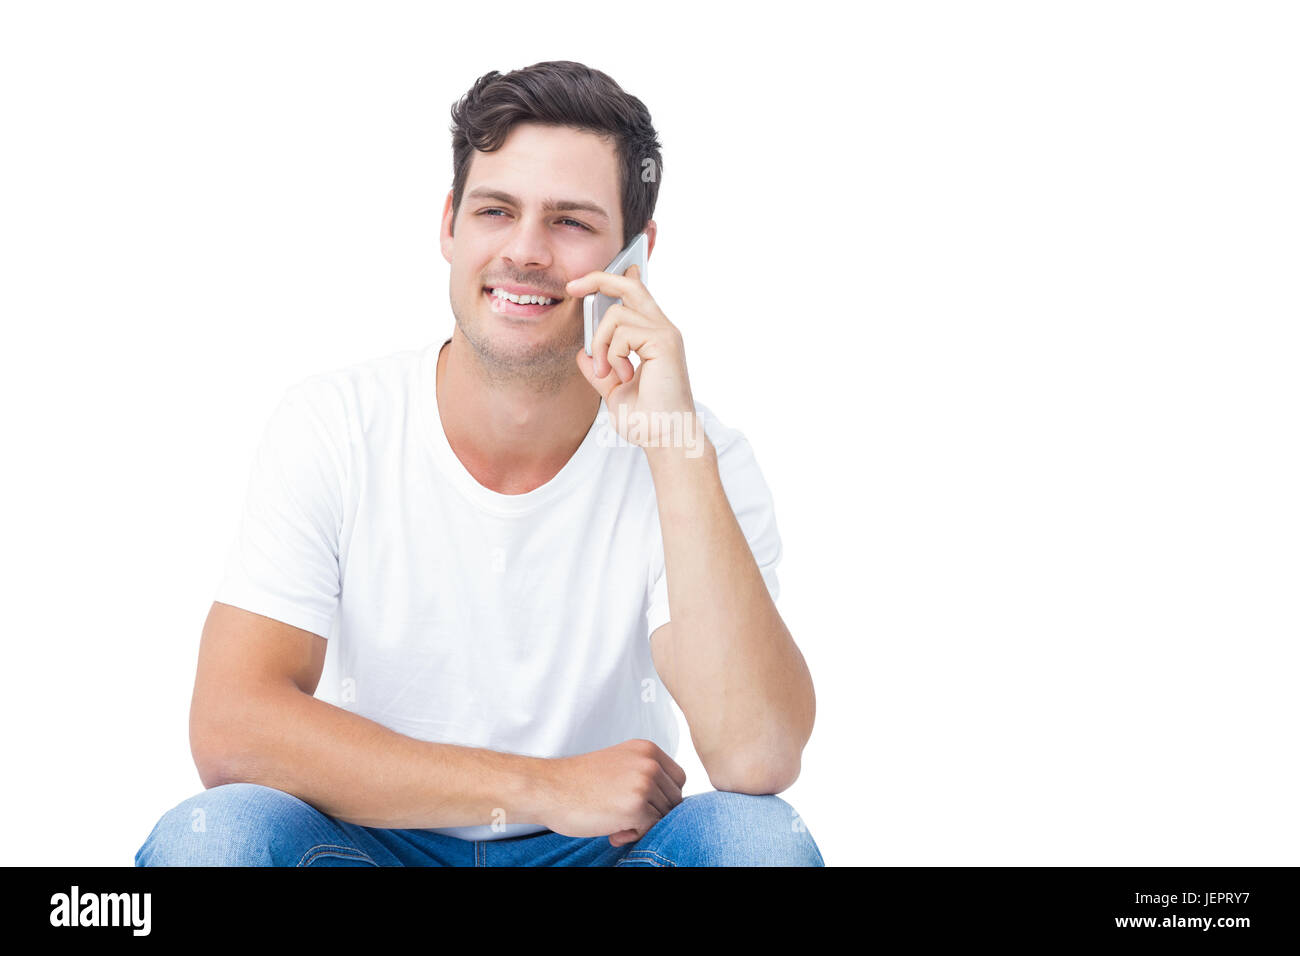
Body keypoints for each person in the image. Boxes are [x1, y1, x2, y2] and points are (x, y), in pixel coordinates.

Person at [135, 60, 822, 867]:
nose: (525, 252)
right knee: (214, 843)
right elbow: (231, 724)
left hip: (600, 850)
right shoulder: (334, 424)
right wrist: (541, 785)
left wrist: (671, 444)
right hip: (374, 839)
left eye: (571, 222)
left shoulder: (702, 453)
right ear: (450, 225)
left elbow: (755, 757)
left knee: (758, 844)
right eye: (497, 211)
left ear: (636, 256)